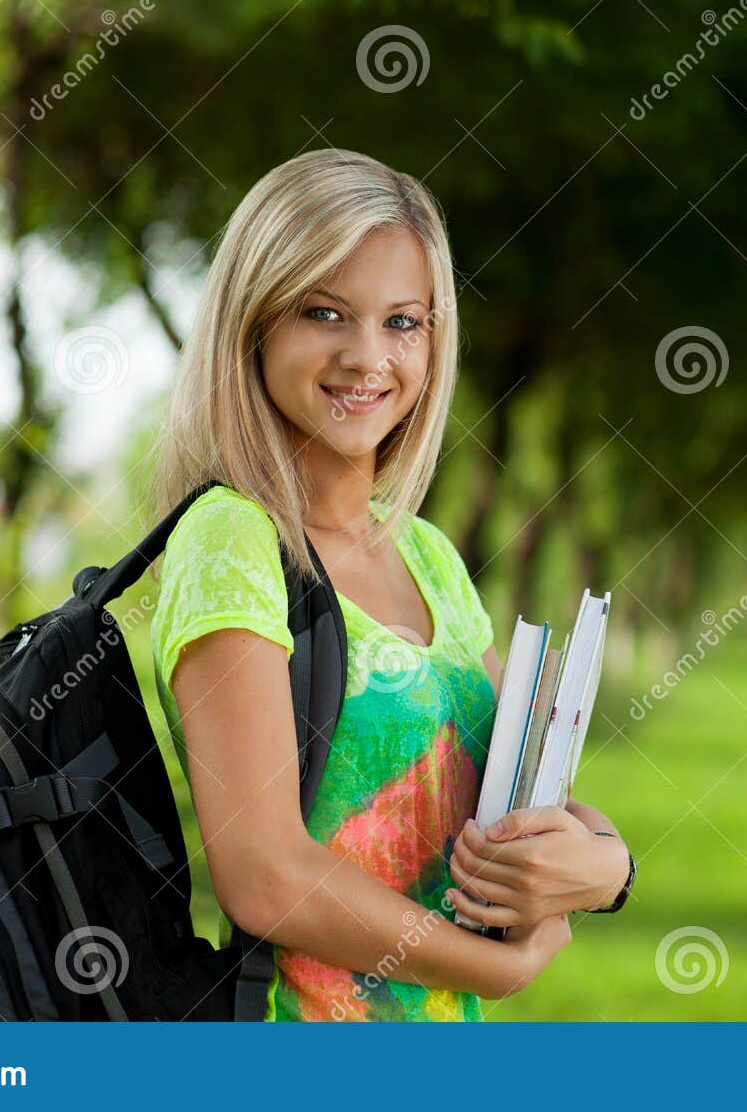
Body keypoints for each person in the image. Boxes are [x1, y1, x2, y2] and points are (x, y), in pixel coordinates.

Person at [146, 148, 632, 1021]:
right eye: (325, 312)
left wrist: (604, 862)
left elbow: (507, 797)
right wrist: (493, 968)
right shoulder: (232, 541)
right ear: (253, 323)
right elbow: (263, 875)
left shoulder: (428, 554)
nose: (367, 356)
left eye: (402, 322)